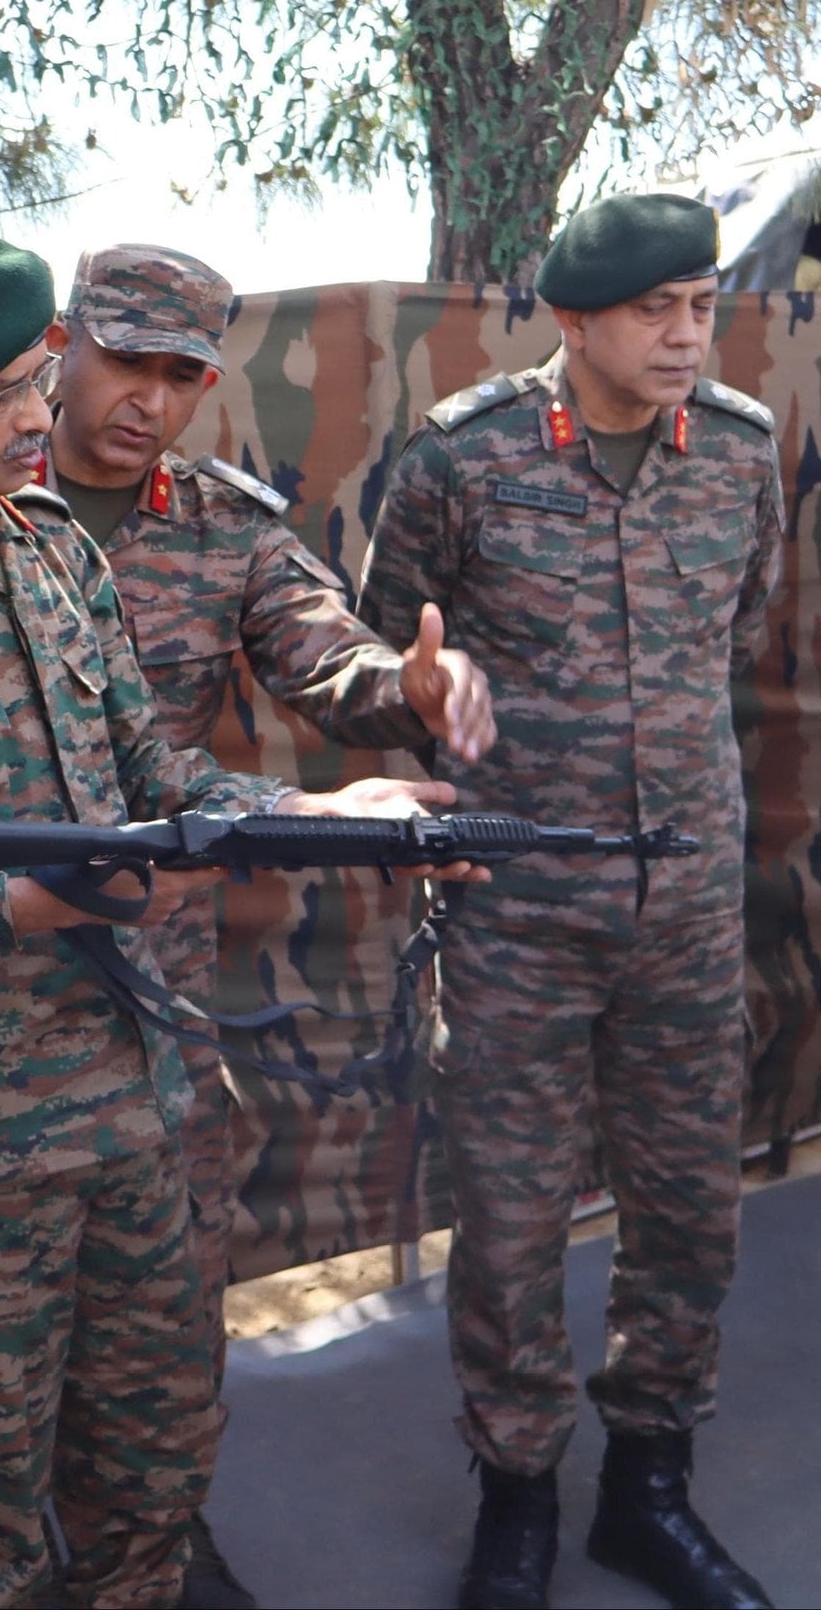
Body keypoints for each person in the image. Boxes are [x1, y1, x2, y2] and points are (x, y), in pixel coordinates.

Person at [0, 228, 477, 1610]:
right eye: (1, 396)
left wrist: (332, 813)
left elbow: (159, 775)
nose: (36, 417)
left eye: (36, 378)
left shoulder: (54, 549)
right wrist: (47, 897)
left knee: (153, 1481)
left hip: (147, 1100)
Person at [42, 242, 498, 1608]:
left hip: (155, 996)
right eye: (127, 361)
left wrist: (407, 682)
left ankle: (159, 1543)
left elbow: (325, 655)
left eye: (183, 375)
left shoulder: (219, 522)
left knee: (168, 1315)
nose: (150, 401)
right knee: (3, 1334)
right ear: (63, 343)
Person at [357, 194, 781, 1610]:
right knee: (514, 1215)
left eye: (701, 306)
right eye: (654, 310)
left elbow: (739, 629)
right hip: (520, 907)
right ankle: (519, 1498)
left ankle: (647, 1492)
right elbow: (388, 654)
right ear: (575, 319)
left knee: (688, 1212)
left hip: (689, 907)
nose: (683, 334)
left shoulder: (739, 453)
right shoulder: (463, 458)